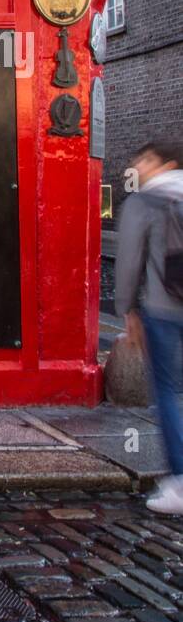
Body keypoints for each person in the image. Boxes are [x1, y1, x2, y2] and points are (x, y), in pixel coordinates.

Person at [115, 141, 183, 515]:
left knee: (168, 392)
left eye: (145, 160)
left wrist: (127, 310)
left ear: (167, 163)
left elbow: (127, 262)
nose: (137, 166)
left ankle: (180, 483)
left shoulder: (144, 202)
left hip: (163, 308)